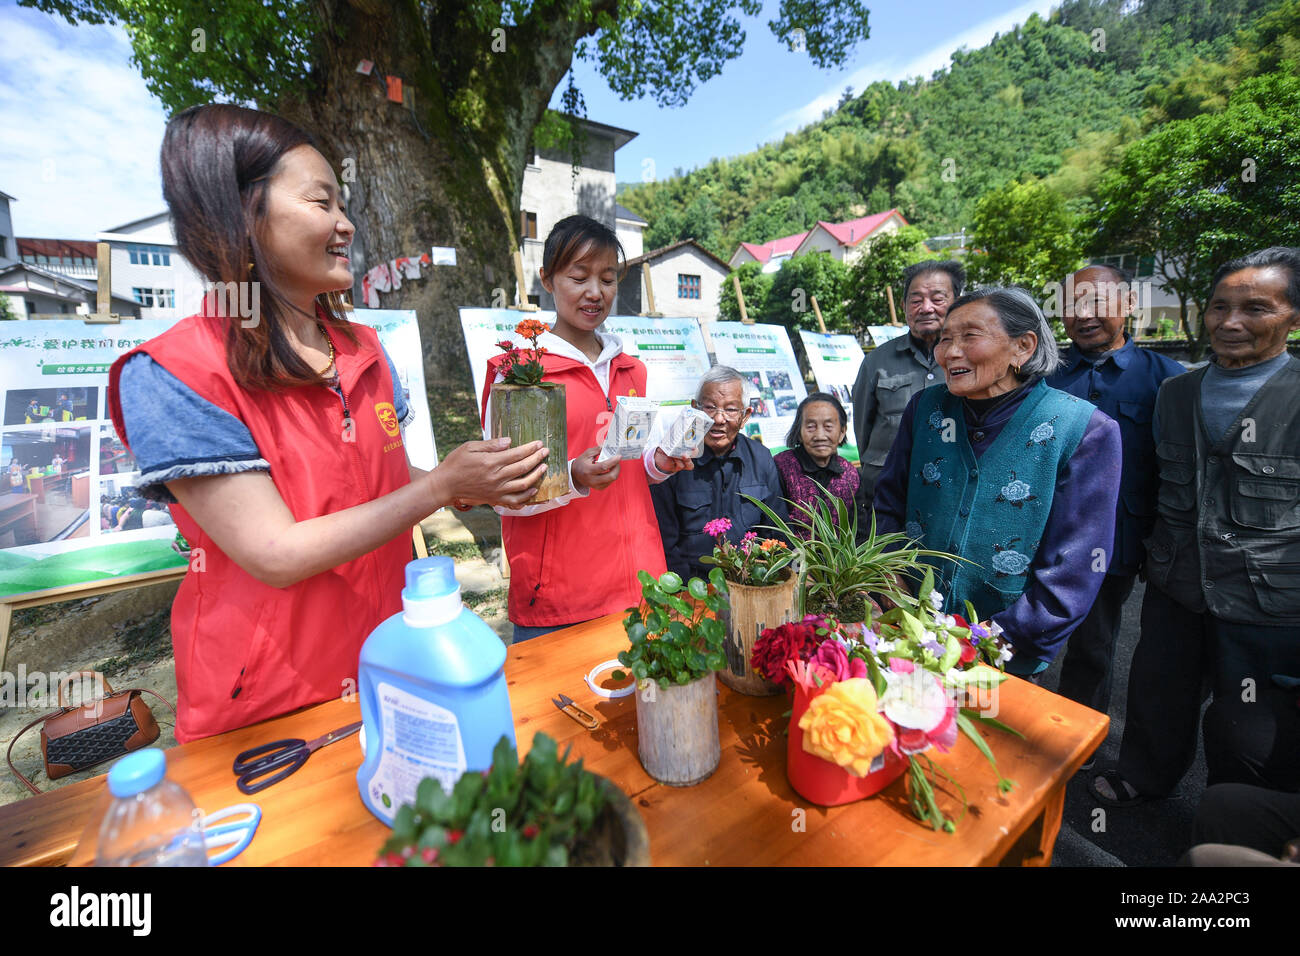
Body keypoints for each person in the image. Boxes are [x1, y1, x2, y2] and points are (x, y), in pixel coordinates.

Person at [107, 104, 549, 742]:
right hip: (274, 705)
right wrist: (439, 488)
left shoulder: (363, 346)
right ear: (240, 212)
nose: (346, 225)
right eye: (321, 203)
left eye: (343, 205)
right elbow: (277, 553)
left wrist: (479, 484)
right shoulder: (175, 371)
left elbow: (388, 479)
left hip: (396, 660)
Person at [1091, 246, 1300, 807]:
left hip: (1269, 601)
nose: (1230, 323)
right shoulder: (1175, 393)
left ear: (1293, 318)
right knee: (1159, 692)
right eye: (1218, 307)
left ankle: (1238, 813)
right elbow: (1157, 485)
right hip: (1176, 582)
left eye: (1256, 309)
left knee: (1250, 722)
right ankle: (1144, 775)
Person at [869, 287, 1122, 678]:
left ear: (1023, 347)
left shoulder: (1084, 429)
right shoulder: (925, 409)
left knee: (984, 734)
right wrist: (894, 589)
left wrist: (991, 639)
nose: (950, 352)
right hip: (905, 627)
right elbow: (887, 505)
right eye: (945, 339)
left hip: (1003, 651)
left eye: (970, 336)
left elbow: (1076, 566)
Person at [481, 216, 693, 643]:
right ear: (547, 279)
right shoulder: (520, 374)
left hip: (642, 585)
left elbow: (633, 463)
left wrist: (660, 462)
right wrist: (572, 476)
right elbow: (503, 493)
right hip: (562, 599)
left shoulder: (631, 369)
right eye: (579, 277)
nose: (595, 292)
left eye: (608, 279)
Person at [1047, 264, 1186, 720]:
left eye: (1097, 303)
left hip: (1115, 541)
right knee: (1012, 635)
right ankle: (1007, 724)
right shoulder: (1043, 374)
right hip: (1036, 533)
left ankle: (1074, 738)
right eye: (1072, 305)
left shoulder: (1166, 378)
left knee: (1094, 645)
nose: (1084, 315)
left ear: (1128, 305)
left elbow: (1177, 469)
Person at [651, 366, 788, 582]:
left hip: (750, 584)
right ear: (694, 409)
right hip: (692, 588)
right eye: (709, 407)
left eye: (731, 409)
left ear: (745, 416)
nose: (718, 419)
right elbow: (663, 540)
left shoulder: (761, 459)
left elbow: (777, 532)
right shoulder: (672, 461)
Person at [851, 260, 964, 505]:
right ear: (903, 306)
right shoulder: (876, 362)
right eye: (915, 300)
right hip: (887, 491)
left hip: (952, 491)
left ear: (956, 302)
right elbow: (863, 429)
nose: (926, 308)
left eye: (937, 298)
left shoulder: (971, 359)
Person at [773, 391, 860, 537]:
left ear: (842, 432)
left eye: (828, 427)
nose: (820, 436)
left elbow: (860, 529)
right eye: (811, 427)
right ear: (799, 432)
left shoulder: (851, 475)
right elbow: (774, 525)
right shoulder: (781, 467)